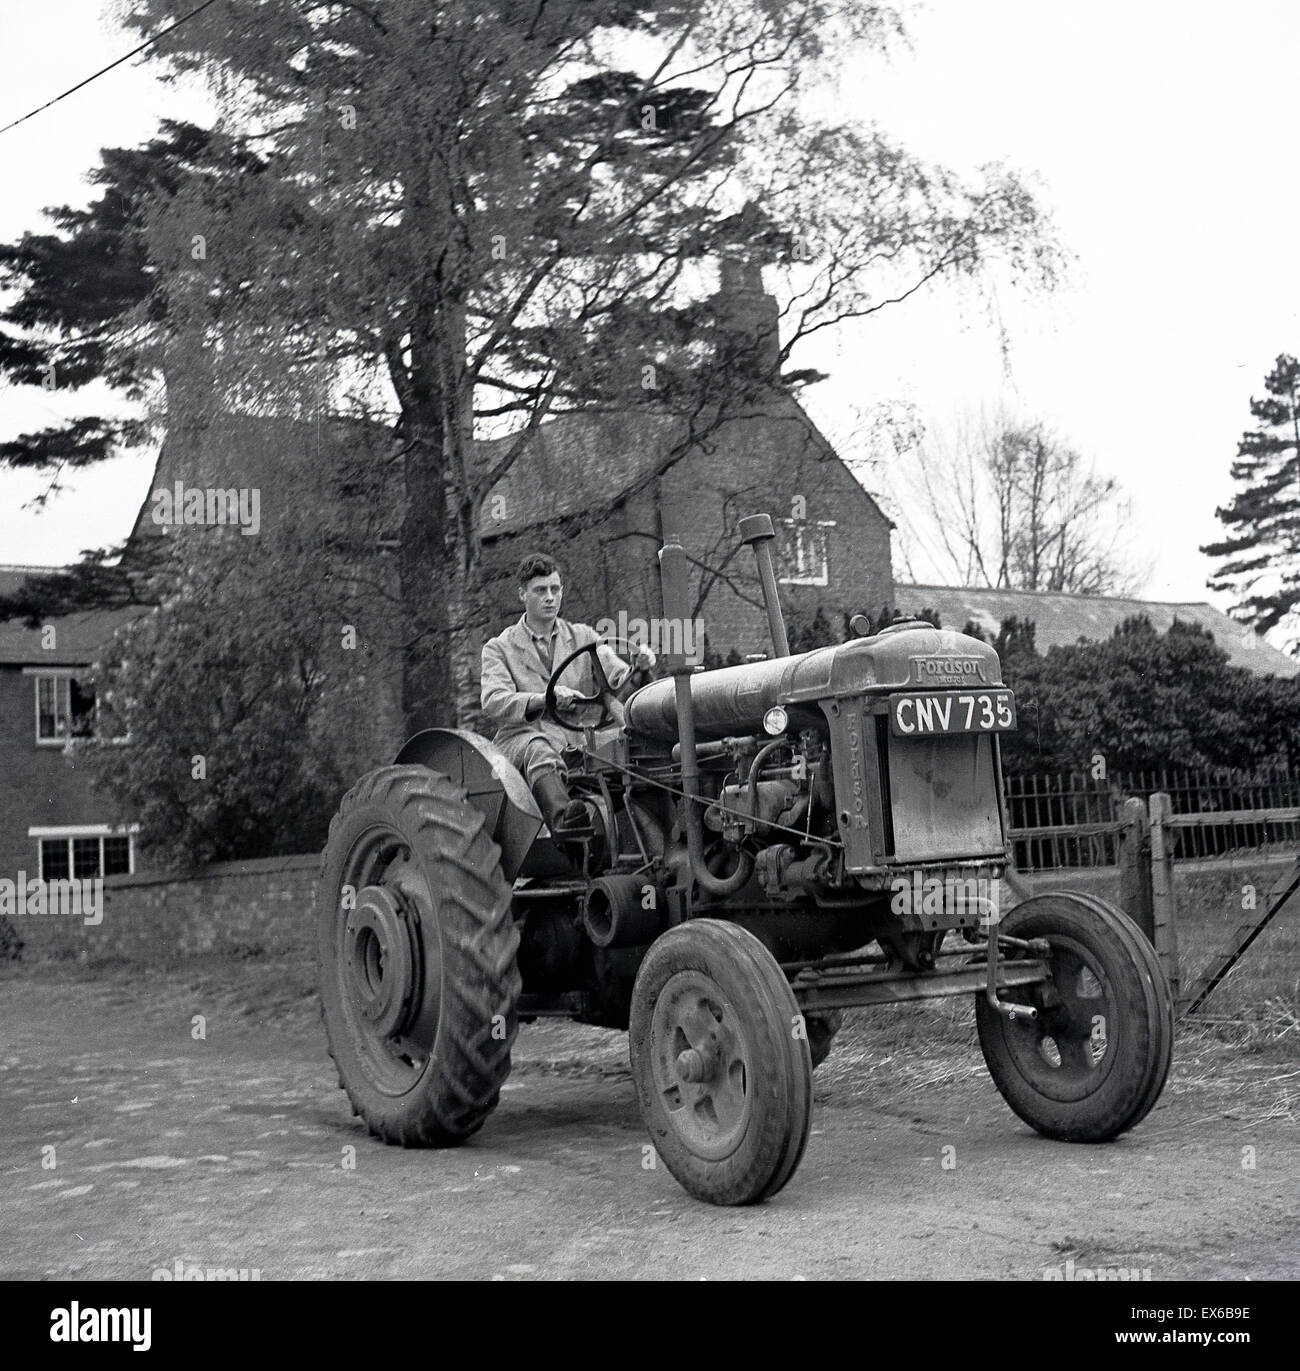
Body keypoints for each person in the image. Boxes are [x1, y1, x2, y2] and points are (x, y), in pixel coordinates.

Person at [481, 552, 655, 837]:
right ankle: (566, 824)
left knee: (632, 747)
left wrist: (642, 666)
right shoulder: (499, 648)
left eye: (555, 589)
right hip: (521, 740)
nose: (550, 597)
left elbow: (618, 677)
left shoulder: (583, 637)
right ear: (522, 594)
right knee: (538, 747)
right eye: (540, 590)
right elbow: (494, 700)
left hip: (575, 740)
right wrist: (542, 699)